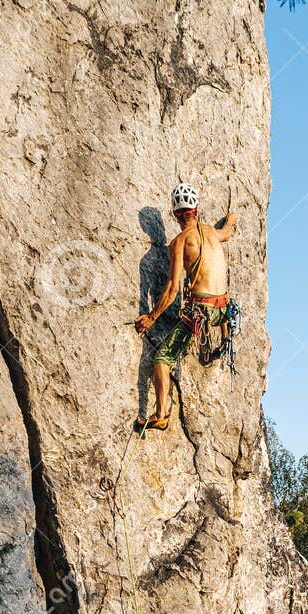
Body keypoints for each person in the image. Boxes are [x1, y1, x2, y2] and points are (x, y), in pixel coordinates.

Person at [134, 182, 237, 431]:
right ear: (197, 209)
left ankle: (160, 414)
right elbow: (228, 232)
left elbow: (172, 288)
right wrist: (231, 220)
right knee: (220, 301)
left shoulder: (178, 243)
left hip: (201, 312)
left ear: (174, 215)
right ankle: (224, 340)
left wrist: (151, 316)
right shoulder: (213, 232)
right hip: (223, 310)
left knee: (162, 358)